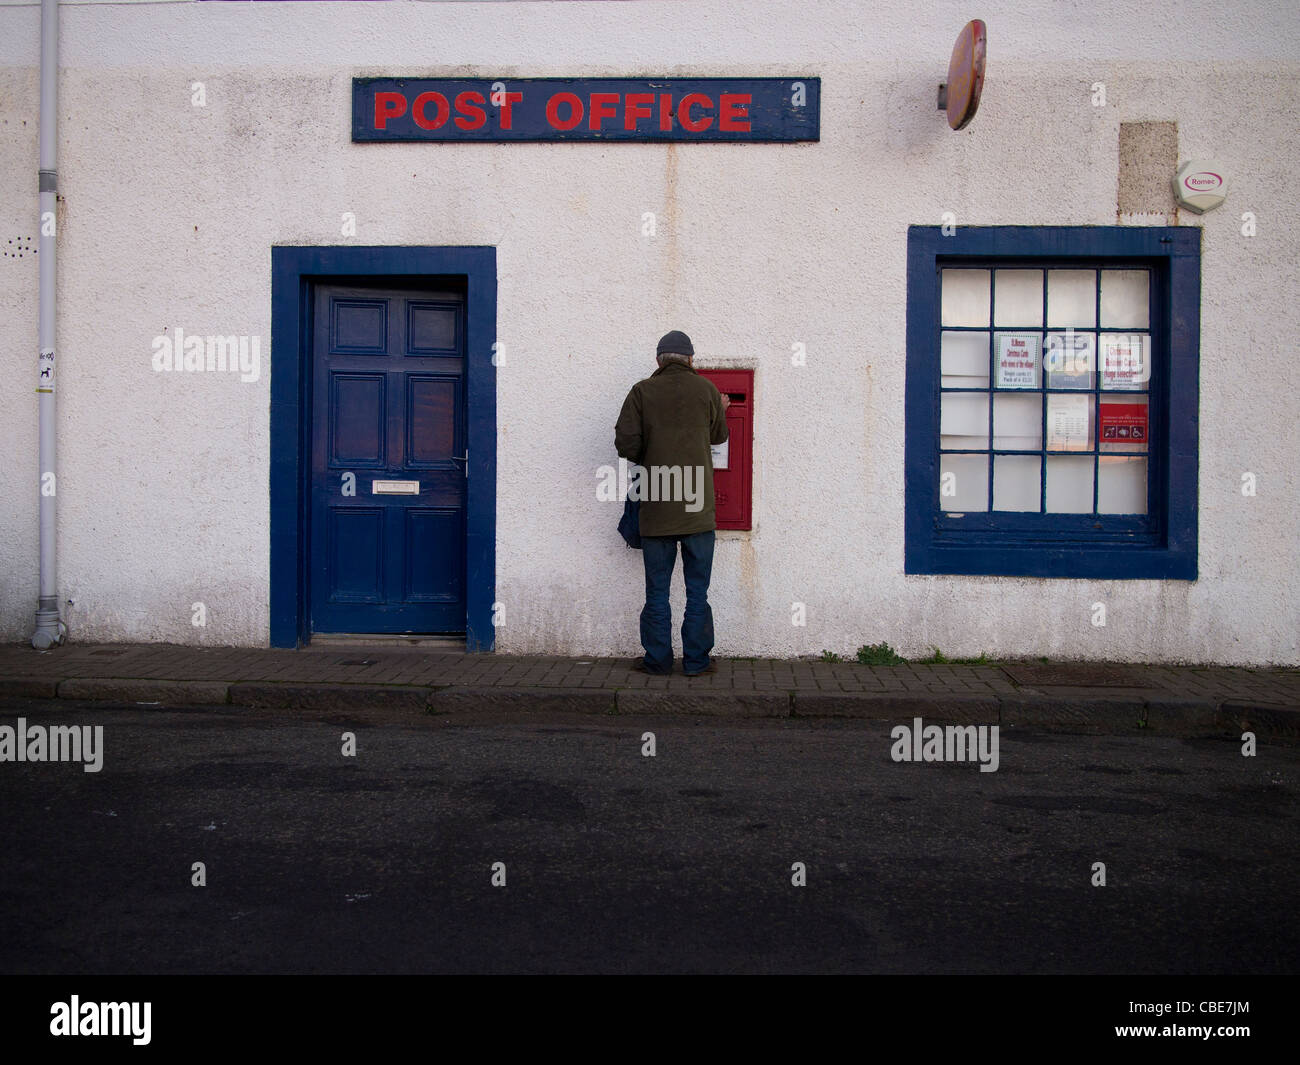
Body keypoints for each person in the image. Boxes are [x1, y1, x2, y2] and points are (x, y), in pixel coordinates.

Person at [615, 330, 730, 676]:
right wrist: (719, 410)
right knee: (697, 592)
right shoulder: (707, 390)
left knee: (657, 592)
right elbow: (719, 436)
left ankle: (657, 661)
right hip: (698, 510)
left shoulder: (642, 391)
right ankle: (696, 662)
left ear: (658, 360)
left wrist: (650, 455)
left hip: (657, 505)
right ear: (691, 359)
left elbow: (625, 443)